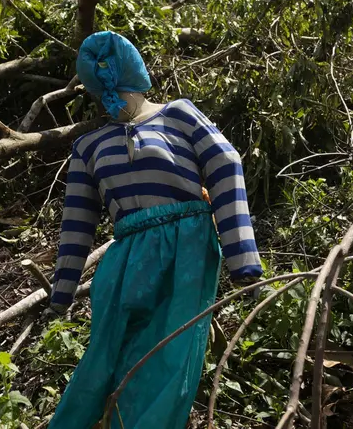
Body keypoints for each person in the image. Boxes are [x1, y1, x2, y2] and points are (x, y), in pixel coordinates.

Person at [47, 31, 263, 429]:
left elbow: (225, 166)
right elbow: (77, 221)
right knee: (105, 356)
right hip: (125, 261)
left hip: (188, 253)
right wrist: (62, 290)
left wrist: (242, 259)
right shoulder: (88, 146)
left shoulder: (179, 115)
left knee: (169, 357)